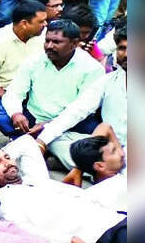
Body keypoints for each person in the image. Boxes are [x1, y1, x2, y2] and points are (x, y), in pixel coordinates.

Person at [0, 136, 126, 243]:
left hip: (118, 216)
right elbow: (28, 231)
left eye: (7, 157)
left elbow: (27, 142)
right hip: (106, 235)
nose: (8, 163)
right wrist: (72, 242)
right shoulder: (3, 202)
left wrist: (78, 168)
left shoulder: (35, 178)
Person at [0, 19, 104, 138]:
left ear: (74, 44)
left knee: (95, 129)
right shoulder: (34, 61)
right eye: (47, 41)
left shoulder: (92, 68)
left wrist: (50, 125)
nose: (49, 46)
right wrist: (16, 114)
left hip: (70, 122)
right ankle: (41, 142)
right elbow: (14, 93)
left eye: (56, 42)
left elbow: (81, 108)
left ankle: (30, 141)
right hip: (34, 117)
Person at [37, 27, 125, 170]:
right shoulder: (109, 80)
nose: (127, 54)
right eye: (122, 48)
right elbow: (77, 110)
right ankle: (94, 168)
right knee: (54, 138)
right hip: (106, 148)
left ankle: (88, 169)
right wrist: (41, 142)